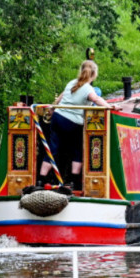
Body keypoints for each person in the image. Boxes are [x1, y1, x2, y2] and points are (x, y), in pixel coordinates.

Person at [38, 60, 111, 188]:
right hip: (72, 123)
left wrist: (52, 108)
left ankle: (41, 179)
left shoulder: (71, 82)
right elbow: (96, 99)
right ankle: (73, 182)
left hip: (57, 118)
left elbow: (60, 98)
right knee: (77, 150)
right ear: (94, 74)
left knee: (52, 149)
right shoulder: (88, 88)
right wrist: (111, 107)